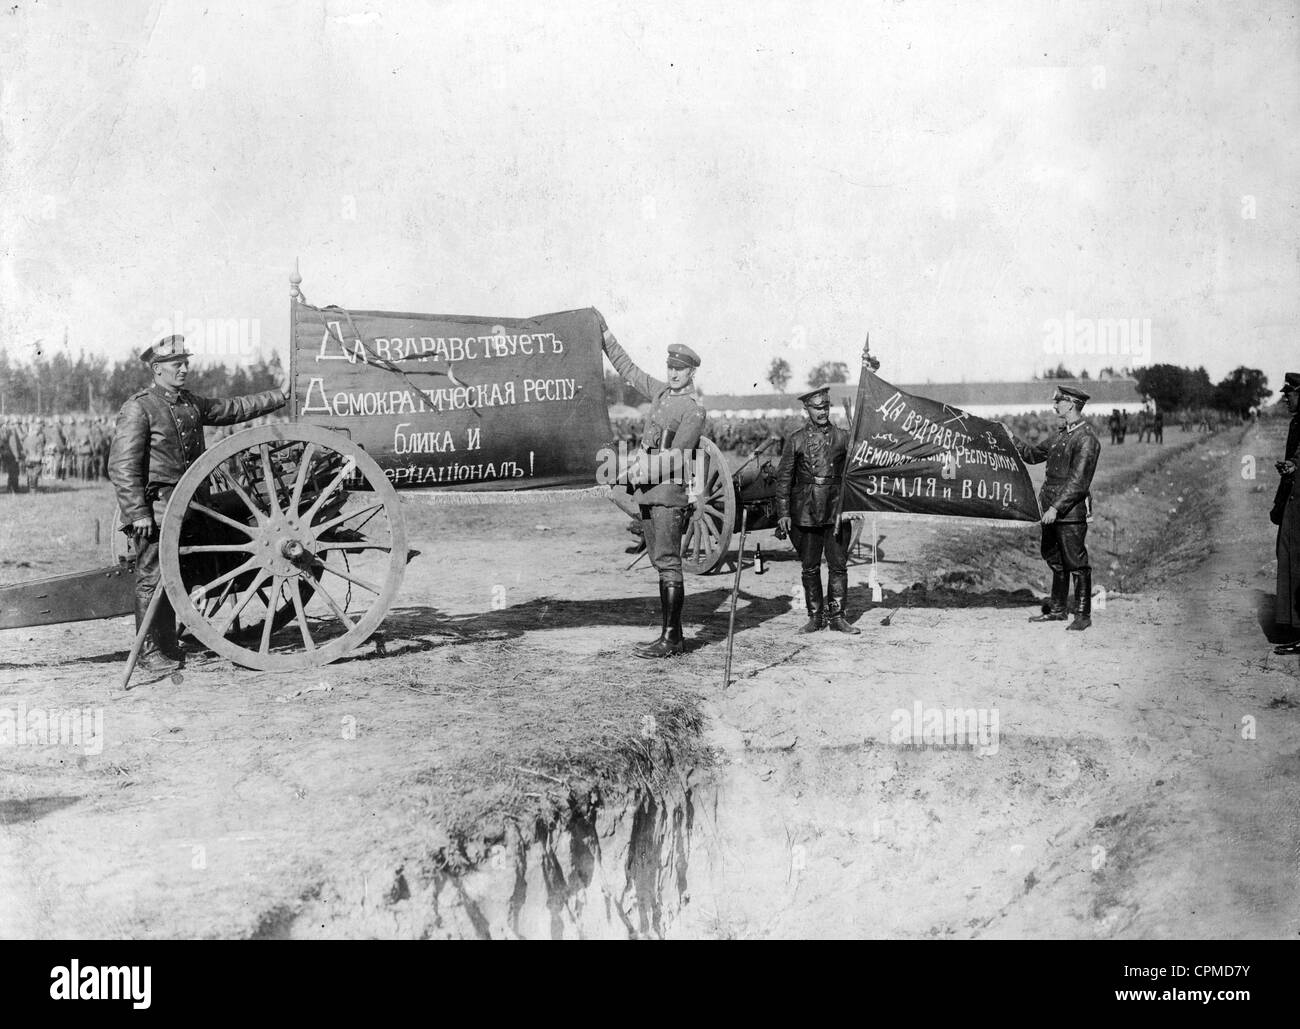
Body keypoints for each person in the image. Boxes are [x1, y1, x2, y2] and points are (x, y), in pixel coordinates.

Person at [108, 333, 287, 672]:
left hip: (190, 507)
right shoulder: (140, 407)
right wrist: (137, 513)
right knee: (151, 577)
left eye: (186, 362)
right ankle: (148, 653)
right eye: (178, 364)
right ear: (158, 369)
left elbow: (233, 408)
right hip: (157, 509)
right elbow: (122, 465)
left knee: (177, 575)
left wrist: (280, 396)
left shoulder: (190, 404)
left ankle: (167, 643)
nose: (185, 368)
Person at [599, 319, 705, 658]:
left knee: (668, 561)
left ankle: (672, 639)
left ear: (691, 373)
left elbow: (678, 456)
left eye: (681, 369)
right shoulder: (660, 393)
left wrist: (636, 471)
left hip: (668, 495)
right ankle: (669, 636)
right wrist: (604, 334)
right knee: (661, 562)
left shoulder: (693, 410)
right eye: (670, 368)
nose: (674, 374)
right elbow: (628, 369)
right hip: (648, 494)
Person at [1004, 385, 1102, 631]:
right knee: (1055, 559)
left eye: (1058, 401)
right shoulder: (1061, 436)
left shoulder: (1087, 438)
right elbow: (1031, 454)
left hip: (1069, 512)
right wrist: (1009, 437)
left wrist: (1056, 509)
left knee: (1075, 562)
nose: (1054, 405)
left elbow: (1079, 482)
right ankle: (1058, 610)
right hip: (1050, 509)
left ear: (1070, 404)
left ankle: (1082, 615)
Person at [775, 386, 860, 634]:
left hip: (835, 509)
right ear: (807, 409)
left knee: (838, 565)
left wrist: (854, 506)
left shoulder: (844, 437)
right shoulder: (797, 440)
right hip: (806, 510)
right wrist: (783, 513)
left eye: (825, 407)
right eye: (816, 408)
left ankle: (838, 617)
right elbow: (783, 480)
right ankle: (815, 617)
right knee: (810, 566)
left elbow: (854, 475)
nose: (822, 412)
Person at [1271, 374, 1300, 654]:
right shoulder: (1296, 422)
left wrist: (1294, 465)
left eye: (1290, 393)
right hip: (1294, 497)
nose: (1285, 398)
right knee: (1288, 555)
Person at [22, 418, 45, 492]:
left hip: (28, 459)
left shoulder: (26, 439)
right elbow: (40, 450)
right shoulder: (38, 439)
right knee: (35, 475)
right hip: (36, 459)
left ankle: (30, 489)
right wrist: (41, 457)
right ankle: (34, 489)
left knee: (29, 474)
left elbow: (24, 450)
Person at [1, 418, 22, 493]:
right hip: (12, 454)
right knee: (14, 472)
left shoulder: (4, 430)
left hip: (6, 454)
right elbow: (14, 445)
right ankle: (14, 489)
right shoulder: (12, 430)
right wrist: (17, 456)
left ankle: (9, 488)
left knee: (11, 472)